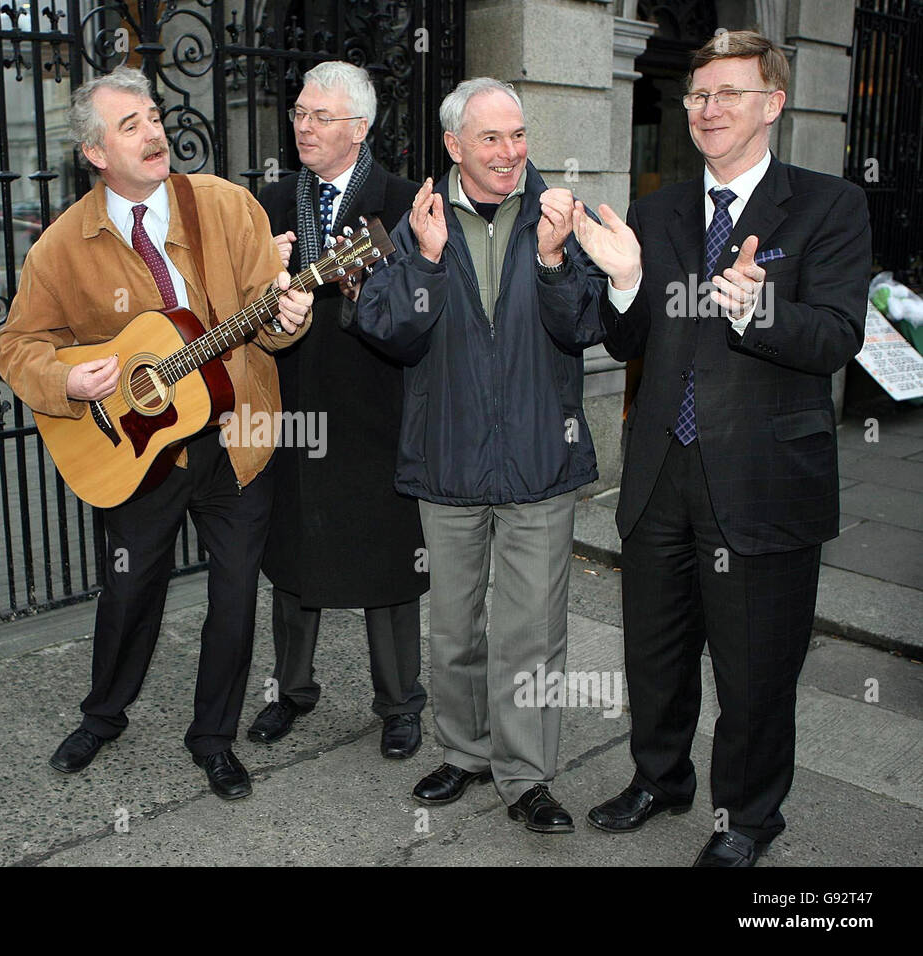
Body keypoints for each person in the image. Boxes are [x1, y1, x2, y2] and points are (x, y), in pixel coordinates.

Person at [572, 31, 871, 866]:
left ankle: (746, 821)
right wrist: (624, 281)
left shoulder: (829, 206)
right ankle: (658, 779)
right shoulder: (661, 206)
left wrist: (753, 309)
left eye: (728, 94)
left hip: (766, 475)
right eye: (698, 95)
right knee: (654, 652)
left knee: (755, 670)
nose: (707, 109)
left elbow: (838, 336)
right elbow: (630, 336)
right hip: (664, 467)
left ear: (771, 105)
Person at [0, 67, 312, 801]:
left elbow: (275, 314)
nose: (154, 132)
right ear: (95, 153)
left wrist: (291, 318)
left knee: (234, 598)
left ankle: (214, 738)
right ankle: (103, 714)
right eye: (130, 124)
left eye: (154, 115)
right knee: (130, 592)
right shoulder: (63, 246)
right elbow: (17, 345)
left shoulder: (227, 207)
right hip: (137, 450)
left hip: (237, 434)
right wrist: (68, 382)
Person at [354, 78, 606, 832]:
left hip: (540, 462)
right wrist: (426, 261)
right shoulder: (417, 222)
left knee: (533, 631)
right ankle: (463, 753)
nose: (510, 152)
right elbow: (385, 328)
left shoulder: (559, 217)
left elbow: (589, 325)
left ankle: (526, 775)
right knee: (456, 628)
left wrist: (559, 261)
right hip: (448, 459)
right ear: (456, 147)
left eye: (518, 135)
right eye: (491, 138)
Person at [247, 61, 428, 759]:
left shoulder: (408, 203)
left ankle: (400, 703)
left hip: (378, 404)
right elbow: (235, 308)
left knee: (389, 561)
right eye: (298, 113)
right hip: (290, 405)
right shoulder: (267, 202)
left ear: (360, 127)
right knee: (291, 555)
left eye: (320, 116)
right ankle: (290, 693)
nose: (303, 127)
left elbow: (422, 310)